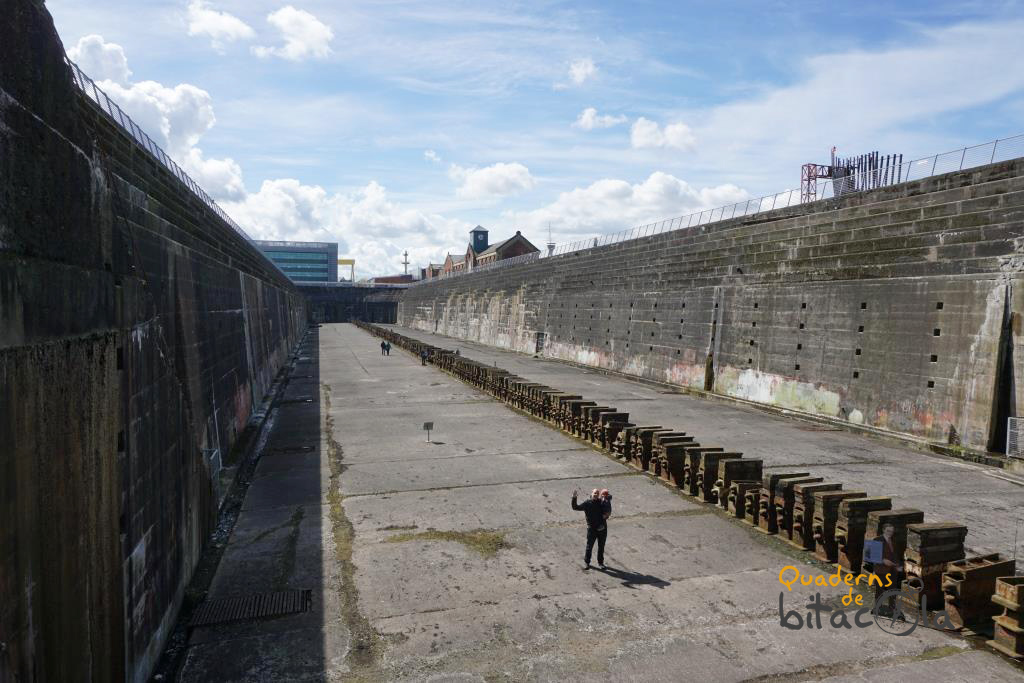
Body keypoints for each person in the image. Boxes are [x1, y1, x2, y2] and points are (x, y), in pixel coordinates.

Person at [572, 488, 610, 570]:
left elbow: (608, 506)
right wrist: (574, 497)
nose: (596, 494)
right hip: (592, 529)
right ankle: (587, 562)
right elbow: (575, 507)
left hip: (602, 528)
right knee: (589, 547)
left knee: (601, 547)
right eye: (594, 493)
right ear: (591, 494)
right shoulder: (587, 503)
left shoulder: (602, 502)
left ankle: (601, 563)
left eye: (597, 493)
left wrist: (606, 496)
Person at [871, 523, 901, 615]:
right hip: (881, 570)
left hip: (892, 570)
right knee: (879, 591)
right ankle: (877, 608)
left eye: (892, 531)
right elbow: (872, 556)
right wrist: (883, 561)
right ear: (883, 530)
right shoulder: (877, 540)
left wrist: (899, 566)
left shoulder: (894, 541)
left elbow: (896, 555)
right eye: (888, 531)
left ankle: (892, 609)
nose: (890, 533)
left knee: (893, 590)